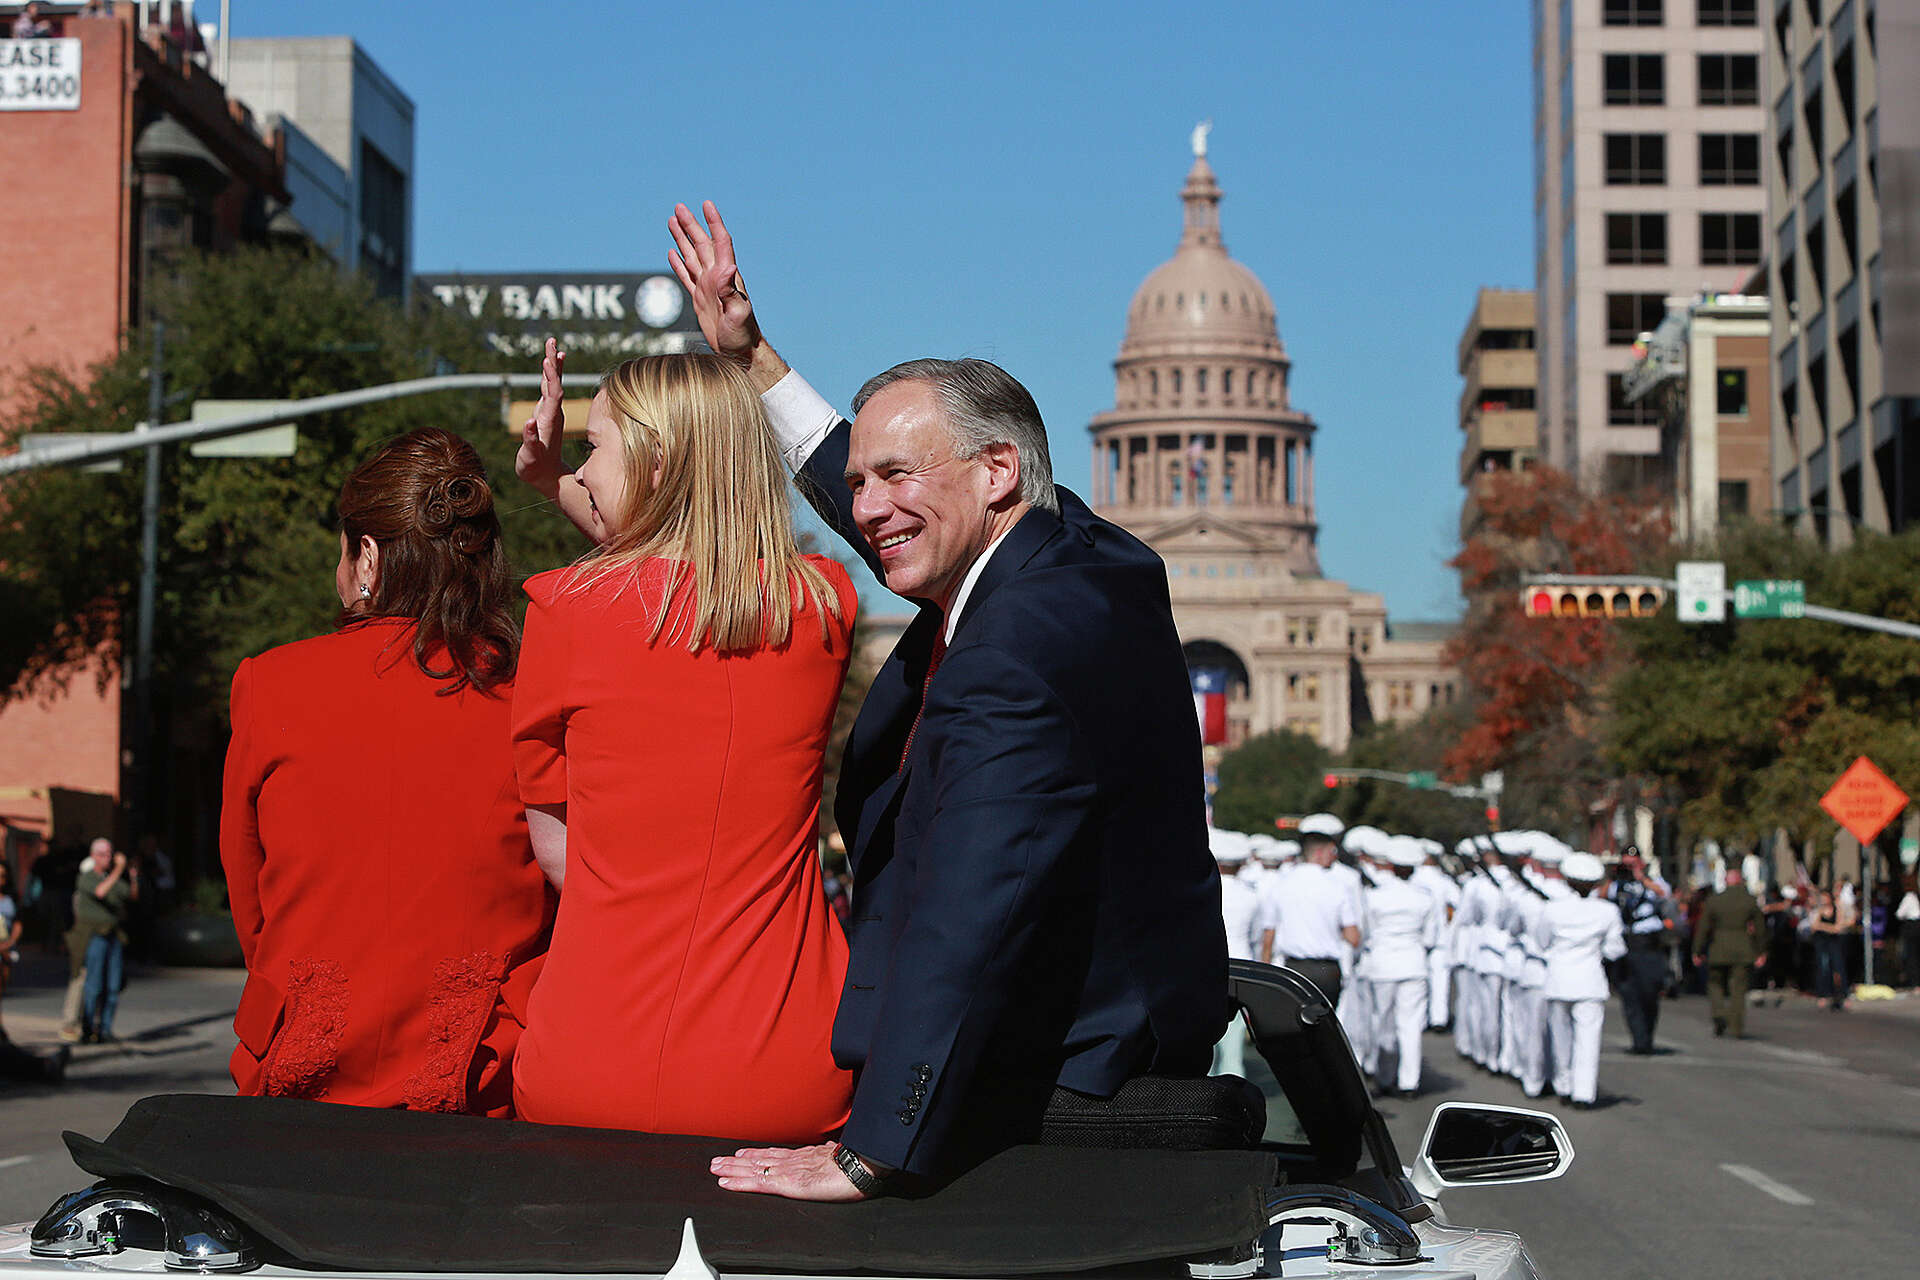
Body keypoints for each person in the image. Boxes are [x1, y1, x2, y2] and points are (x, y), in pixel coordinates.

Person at [666, 202, 1226, 1199]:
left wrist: (874, 1146)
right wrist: (751, 358)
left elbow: (977, 897)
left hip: (1065, 1085)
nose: (868, 508)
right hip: (1120, 1021)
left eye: (896, 474)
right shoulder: (1073, 553)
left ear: (999, 469)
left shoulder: (1015, 649)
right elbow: (897, 507)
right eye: (860, 482)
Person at [508, 346, 858, 1143]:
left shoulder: (564, 612)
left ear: (658, 461)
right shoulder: (822, 607)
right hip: (792, 1072)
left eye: (594, 449)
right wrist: (553, 479)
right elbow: (687, 572)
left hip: (591, 1064)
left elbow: (560, 856)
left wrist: (541, 479)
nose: (585, 473)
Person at [220, 429, 553, 1114]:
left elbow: (251, 894)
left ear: (365, 556)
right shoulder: (533, 695)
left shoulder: (270, 683)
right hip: (478, 1071)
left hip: (299, 1068)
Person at [1538, 853, 1625, 1109]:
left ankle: (1564, 1085)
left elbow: (1542, 941)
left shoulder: (1552, 908)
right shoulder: (1607, 911)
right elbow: (1614, 949)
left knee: (1561, 1037)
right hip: (1590, 981)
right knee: (1588, 1039)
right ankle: (1583, 1093)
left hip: (1559, 979)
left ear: (1567, 881)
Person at [1359, 838, 1439, 1098]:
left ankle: (1384, 1076)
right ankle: (1409, 1082)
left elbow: (1366, 933)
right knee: (1410, 1025)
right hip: (1414, 963)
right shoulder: (1424, 897)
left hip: (1382, 964)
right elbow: (1430, 938)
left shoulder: (1374, 896)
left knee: (1382, 1022)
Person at [1262, 814, 1360, 1008]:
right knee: (1326, 1026)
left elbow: (1268, 936)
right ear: (1318, 853)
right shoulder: (1339, 886)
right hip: (1327, 969)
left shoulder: (1282, 883)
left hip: (1294, 967)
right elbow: (1353, 937)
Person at [1604, 847, 1671, 1054]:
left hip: (1648, 944)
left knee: (1649, 993)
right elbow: (1601, 894)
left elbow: (1664, 894)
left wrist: (1641, 878)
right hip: (1627, 943)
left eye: (1633, 863)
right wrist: (1615, 875)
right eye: (1626, 864)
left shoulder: (1654, 882)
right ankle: (1639, 1039)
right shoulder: (1617, 885)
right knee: (1629, 993)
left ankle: (1647, 1035)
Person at [70, 838, 136, 1044]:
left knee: (113, 986)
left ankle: (105, 1029)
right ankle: (87, 1028)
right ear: (93, 856)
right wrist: (119, 869)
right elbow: (101, 892)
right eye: (103, 854)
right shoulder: (87, 878)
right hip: (94, 937)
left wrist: (133, 876)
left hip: (113, 937)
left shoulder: (113, 879)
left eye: (109, 854)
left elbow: (131, 896)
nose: (107, 858)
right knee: (93, 985)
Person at [1694, 866, 1767, 1037]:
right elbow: (1760, 929)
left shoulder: (1714, 900)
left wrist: (1697, 950)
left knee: (1715, 983)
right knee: (1738, 989)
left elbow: (1703, 927)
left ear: (1726, 881)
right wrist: (1761, 951)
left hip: (1718, 947)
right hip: (1743, 948)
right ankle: (1736, 1026)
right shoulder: (1749, 901)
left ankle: (1719, 1012)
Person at [1210, 831, 1260, 1078]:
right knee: (1232, 1051)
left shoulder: (1204, 892)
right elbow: (1258, 937)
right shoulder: (1251, 895)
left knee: (1204, 1045)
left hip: (1206, 969)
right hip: (1240, 970)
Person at [1808, 888, 1853, 1011]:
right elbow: (1813, 927)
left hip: (1834, 942)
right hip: (1821, 942)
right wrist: (1827, 927)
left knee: (1839, 967)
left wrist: (1822, 926)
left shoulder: (1837, 909)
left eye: (1825, 897)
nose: (1823, 900)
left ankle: (1844, 994)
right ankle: (1824, 994)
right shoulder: (1819, 911)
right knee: (1823, 967)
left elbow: (1837, 928)